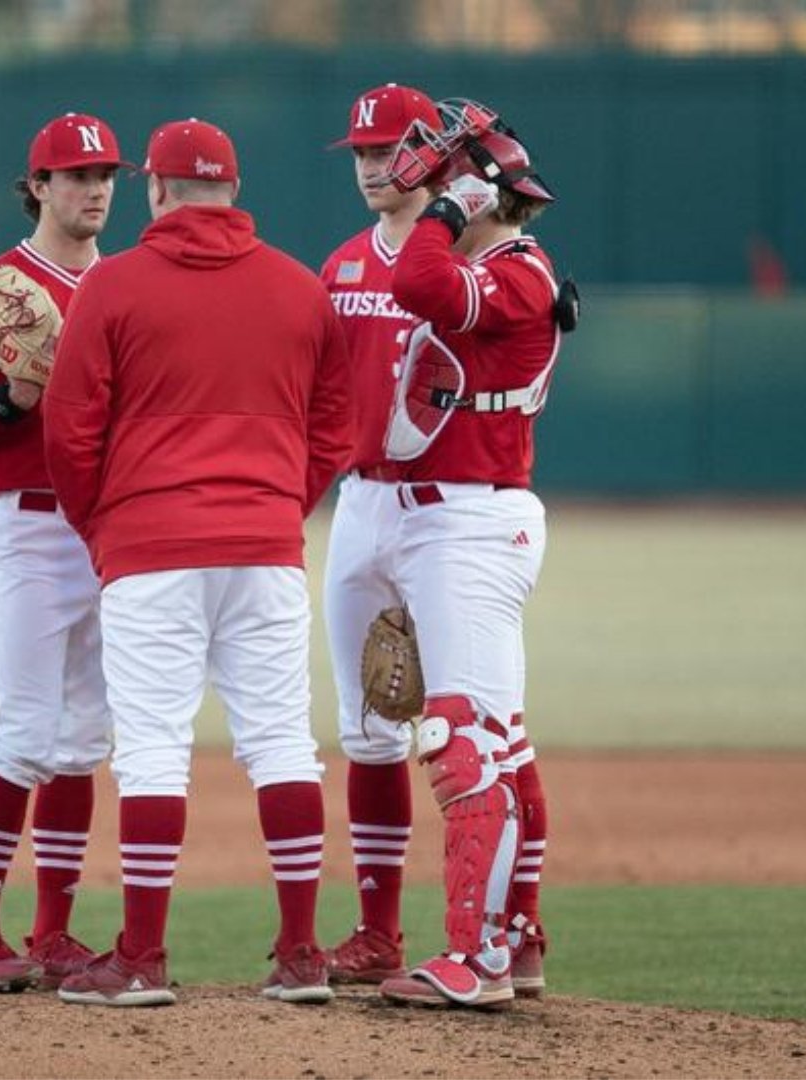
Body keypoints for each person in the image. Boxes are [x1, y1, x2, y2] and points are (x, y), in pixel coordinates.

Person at [43, 118, 354, 1007]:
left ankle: (140, 959)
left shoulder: (111, 284)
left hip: (149, 549)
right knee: (284, 743)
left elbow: (70, 429)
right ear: (234, 188)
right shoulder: (300, 289)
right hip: (264, 550)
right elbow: (338, 424)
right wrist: (276, 506)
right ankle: (302, 956)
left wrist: (104, 525)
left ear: (156, 190)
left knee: (150, 751)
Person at [369, 99, 567, 1008]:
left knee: (460, 738)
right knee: (505, 740)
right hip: (458, 519)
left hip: (472, 524)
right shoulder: (507, 263)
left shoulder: (516, 270)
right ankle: (518, 938)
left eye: (442, 176)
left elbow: (416, 282)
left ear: (483, 189)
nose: (424, 187)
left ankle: (474, 958)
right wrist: (459, 201)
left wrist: (452, 203)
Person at [0, 113, 127, 994]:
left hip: (110, 527)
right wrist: (8, 406)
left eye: (106, 175)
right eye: (76, 174)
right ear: (38, 186)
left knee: (85, 734)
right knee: (24, 730)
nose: (94, 188)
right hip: (25, 520)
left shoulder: (133, 287)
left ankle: (52, 931)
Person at [314, 82, 441, 988]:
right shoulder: (342, 267)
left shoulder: (469, 258)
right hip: (360, 504)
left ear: (429, 154)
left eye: (386, 150)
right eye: (360, 153)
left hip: (448, 506)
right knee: (367, 727)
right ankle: (377, 933)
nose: (369, 167)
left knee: (475, 726)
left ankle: (508, 928)